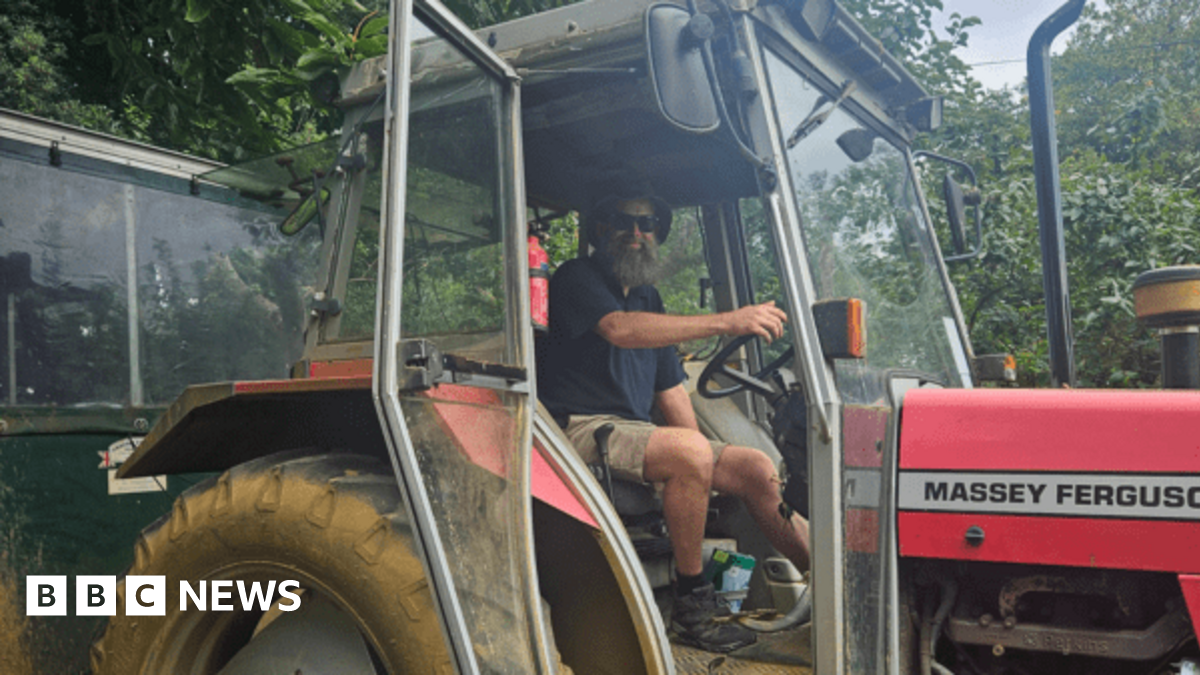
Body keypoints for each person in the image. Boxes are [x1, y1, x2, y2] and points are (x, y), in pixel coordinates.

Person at [538, 195, 811, 653]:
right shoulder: (576, 278)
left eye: (647, 224)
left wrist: (710, 460)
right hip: (575, 430)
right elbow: (619, 329)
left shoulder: (649, 299)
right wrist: (727, 321)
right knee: (689, 454)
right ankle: (694, 605)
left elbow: (670, 390)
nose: (636, 232)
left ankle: (830, 576)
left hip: (632, 433)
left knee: (754, 466)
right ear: (601, 229)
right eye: (623, 221)